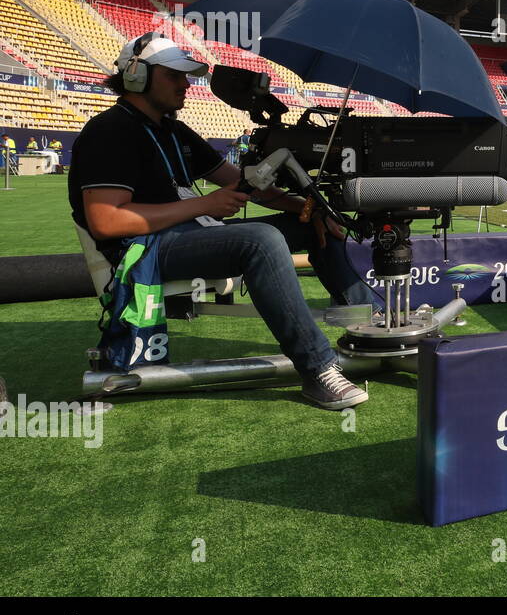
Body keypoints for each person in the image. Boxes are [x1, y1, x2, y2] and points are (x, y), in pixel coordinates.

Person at [68, 33, 372, 410]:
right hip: (141, 250)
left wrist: (307, 209)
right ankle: (317, 368)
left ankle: (368, 330)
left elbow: (241, 183)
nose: (186, 84)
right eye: (174, 76)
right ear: (136, 76)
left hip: (189, 236)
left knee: (316, 224)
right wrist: (204, 205)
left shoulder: (172, 130)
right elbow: (107, 222)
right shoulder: (108, 132)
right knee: (260, 240)